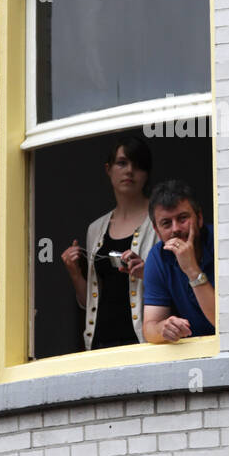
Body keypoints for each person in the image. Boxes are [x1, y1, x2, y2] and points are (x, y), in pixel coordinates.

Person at [60, 135, 156, 349]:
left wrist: (147, 271)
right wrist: (75, 272)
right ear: (108, 169)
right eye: (122, 163)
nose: (129, 170)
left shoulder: (160, 220)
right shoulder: (95, 229)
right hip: (101, 340)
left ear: (147, 173)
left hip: (144, 340)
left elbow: (177, 283)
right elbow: (91, 302)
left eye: (138, 165)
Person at [142, 180, 215, 342]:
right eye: (166, 223)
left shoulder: (220, 243)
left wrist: (192, 270)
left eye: (182, 218)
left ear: (200, 218)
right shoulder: (157, 257)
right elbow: (149, 329)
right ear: (157, 231)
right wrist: (163, 329)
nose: (175, 229)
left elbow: (225, 323)